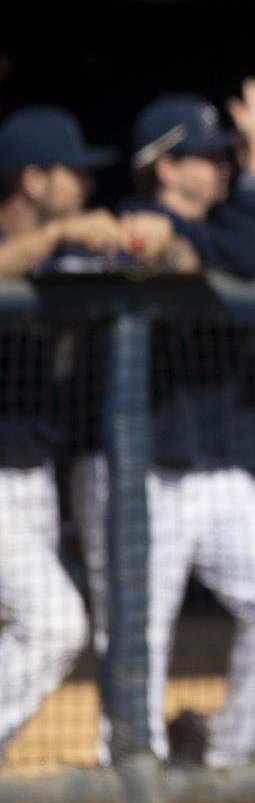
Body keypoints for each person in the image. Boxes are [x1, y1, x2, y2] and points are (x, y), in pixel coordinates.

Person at [74, 85, 255, 767]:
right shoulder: (139, 219)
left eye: (226, 156)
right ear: (165, 165)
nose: (222, 168)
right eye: (205, 157)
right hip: (134, 466)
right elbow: (234, 253)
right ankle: (132, 791)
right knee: (134, 635)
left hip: (216, 465)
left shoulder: (240, 218)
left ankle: (228, 759)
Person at [0, 106, 123, 756]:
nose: (83, 187)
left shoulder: (70, 250)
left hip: (32, 469)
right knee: (55, 623)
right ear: (32, 179)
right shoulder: (29, 242)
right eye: (71, 174)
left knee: (28, 627)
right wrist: (56, 238)